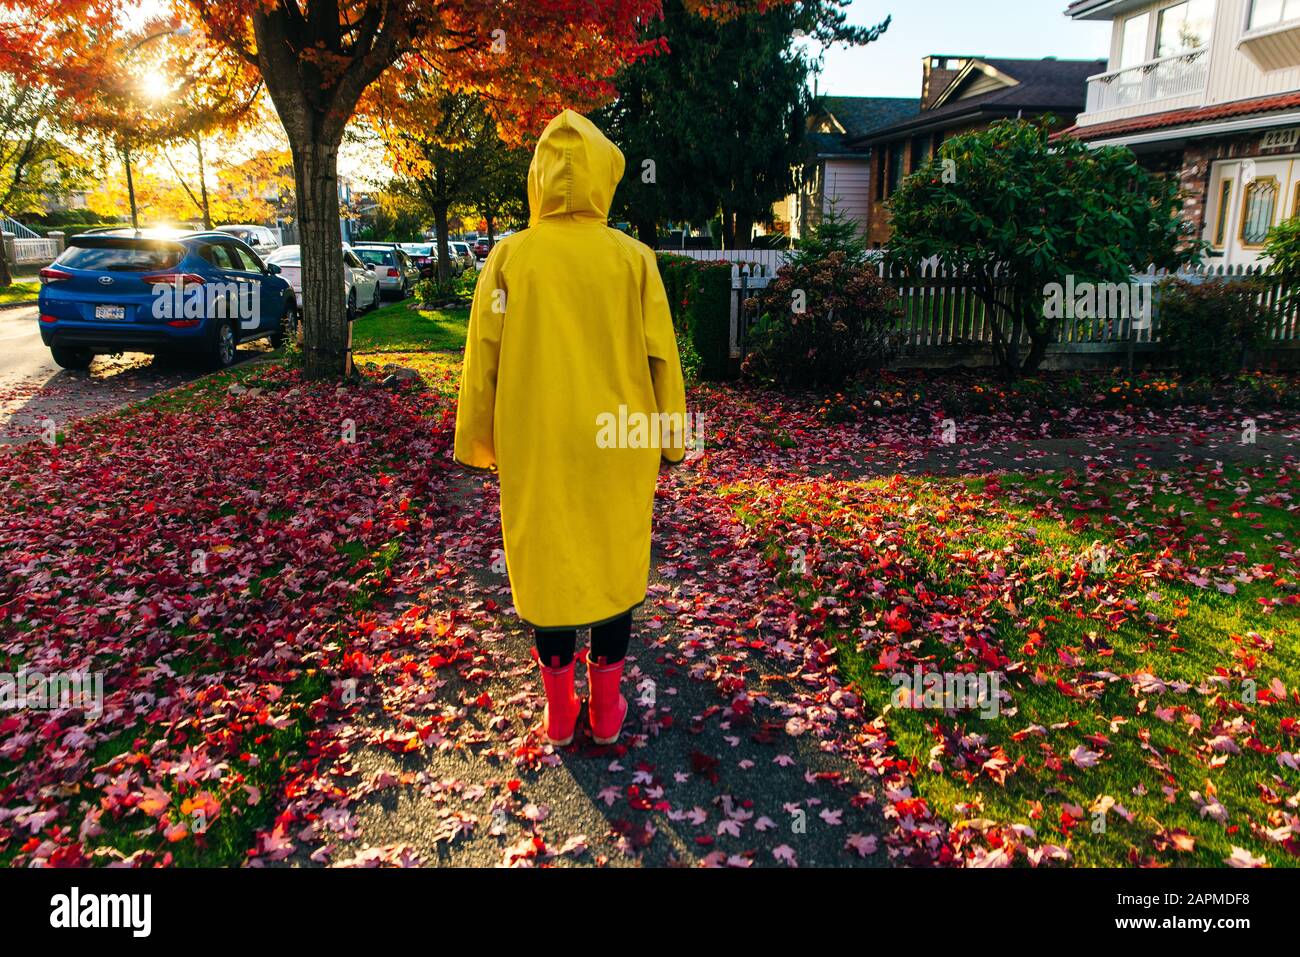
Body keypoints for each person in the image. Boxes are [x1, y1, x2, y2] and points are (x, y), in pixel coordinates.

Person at [454, 109, 688, 747]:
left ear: (537, 178)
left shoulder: (508, 259)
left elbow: (484, 359)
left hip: (538, 444)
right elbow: (662, 356)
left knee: (549, 569)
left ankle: (560, 713)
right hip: (620, 442)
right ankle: (607, 709)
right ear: (603, 177)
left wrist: (478, 441)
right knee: (612, 565)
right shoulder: (633, 260)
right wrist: (671, 440)